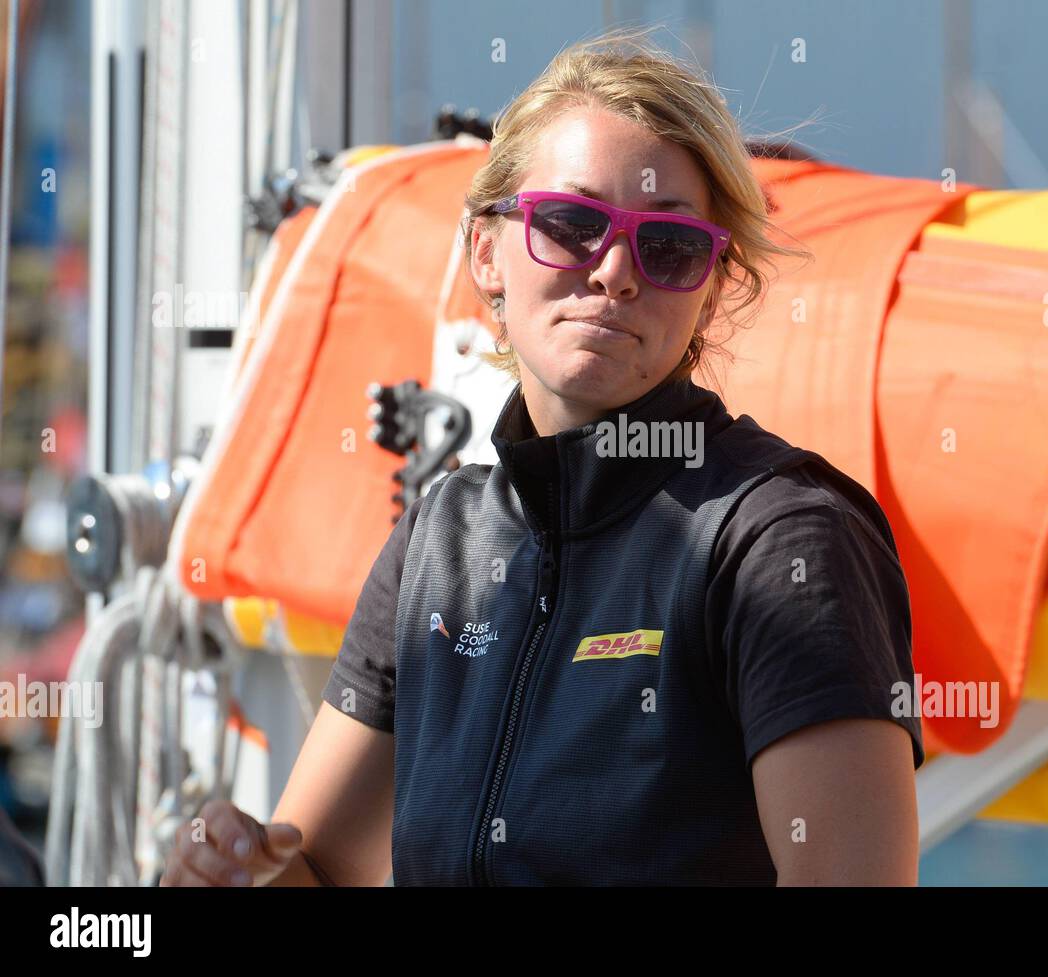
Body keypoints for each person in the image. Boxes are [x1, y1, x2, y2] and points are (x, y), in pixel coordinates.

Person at [162, 27, 923, 888]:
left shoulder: (780, 538)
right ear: (485, 251)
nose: (616, 271)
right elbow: (319, 871)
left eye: (668, 246)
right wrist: (230, 870)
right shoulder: (436, 545)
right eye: (570, 224)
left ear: (710, 287)